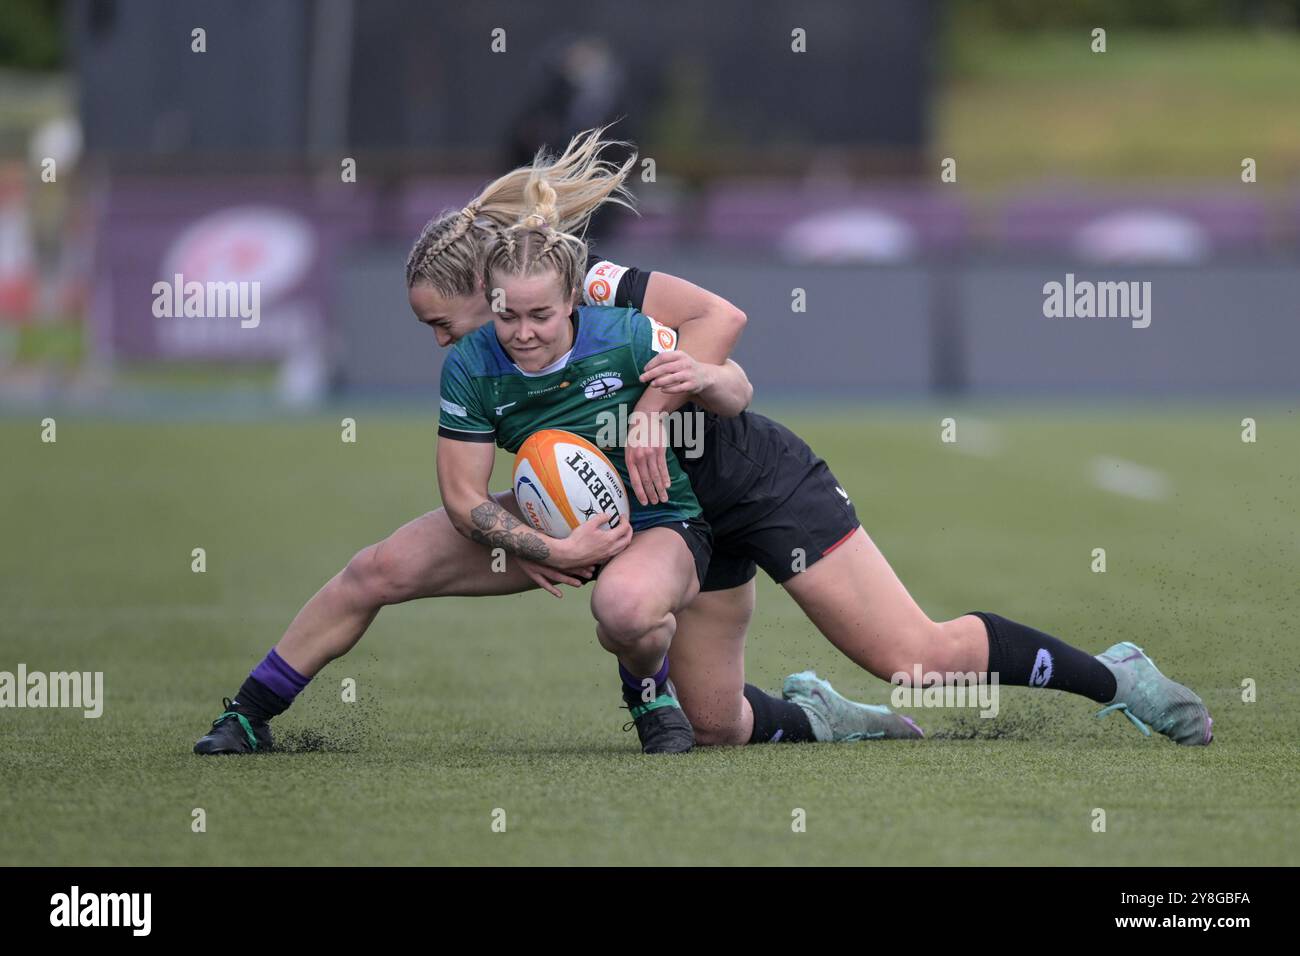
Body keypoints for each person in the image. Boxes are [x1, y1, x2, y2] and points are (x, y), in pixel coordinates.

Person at [194, 127, 916, 756]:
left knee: (655, 642)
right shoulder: (472, 364)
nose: (442, 339)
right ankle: (248, 715)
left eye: (443, 322)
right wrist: (549, 546)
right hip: (560, 510)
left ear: (493, 289)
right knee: (376, 570)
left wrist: (657, 408)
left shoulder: (595, 299)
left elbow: (729, 364)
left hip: (667, 513)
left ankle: (646, 693)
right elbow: (461, 496)